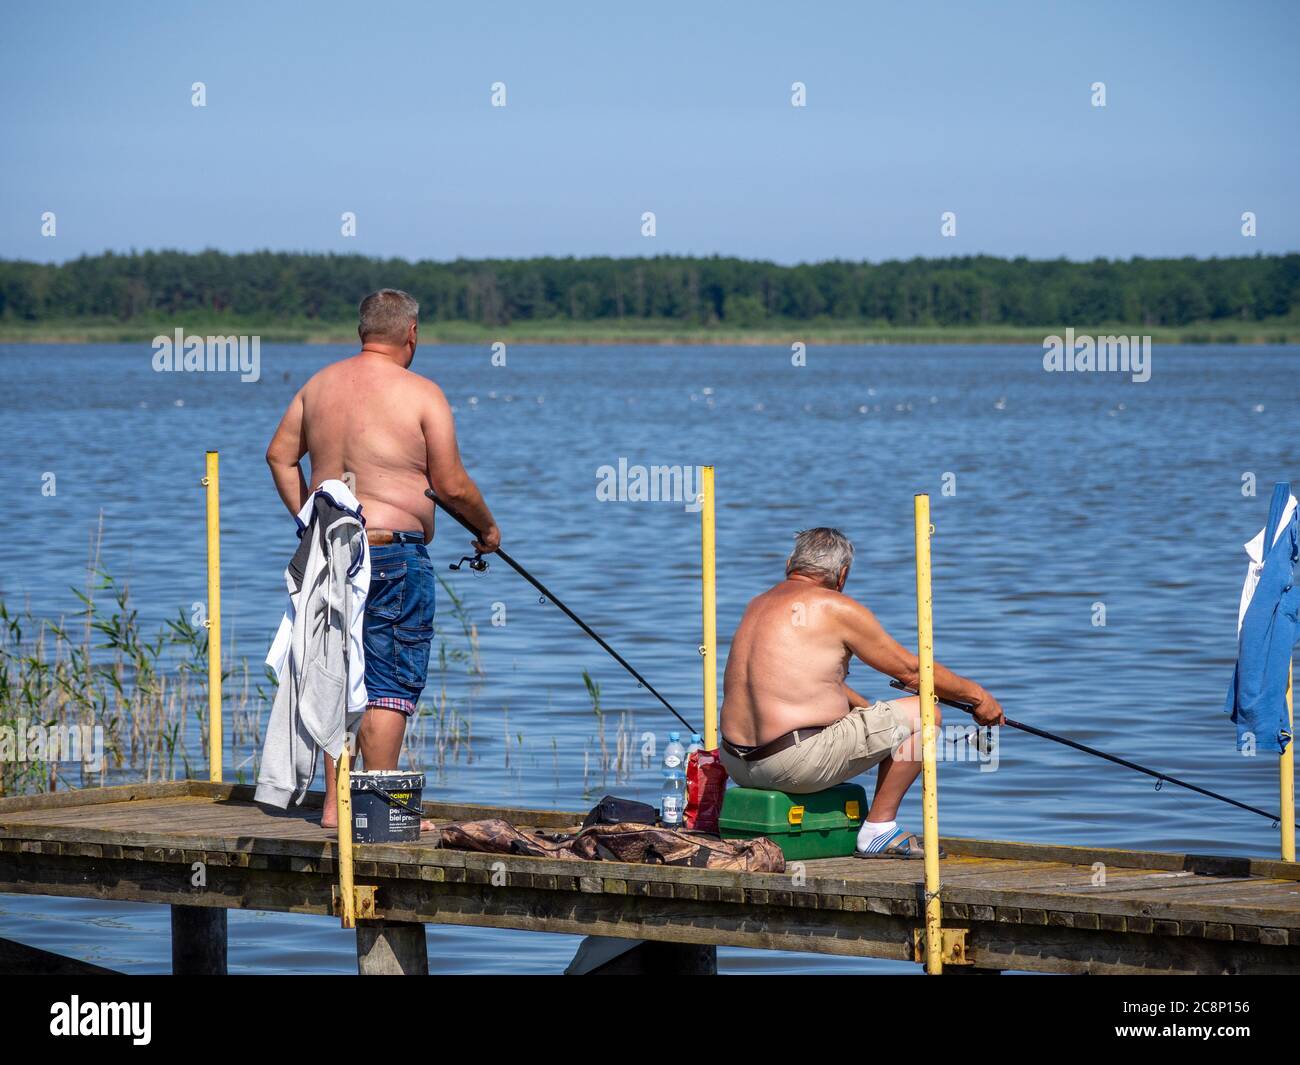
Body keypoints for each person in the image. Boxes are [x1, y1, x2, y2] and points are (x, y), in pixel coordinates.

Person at [265, 288, 499, 829]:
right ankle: (377, 813)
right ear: (412, 334)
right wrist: (486, 529)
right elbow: (452, 484)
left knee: (335, 670)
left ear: (362, 332)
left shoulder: (318, 386)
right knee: (389, 679)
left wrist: (312, 520)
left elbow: (279, 456)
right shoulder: (421, 394)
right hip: (394, 555)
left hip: (329, 556)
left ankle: (334, 805)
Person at [719, 527, 1004, 858]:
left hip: (737, 764)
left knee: (884, 720)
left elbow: (805, 683)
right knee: (925, 713)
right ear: (842, 575)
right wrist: (979, 697)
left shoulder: (758, 604)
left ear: (789, 564)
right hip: (793, 765)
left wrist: (865, 712)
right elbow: (912, 672)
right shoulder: (835, 607)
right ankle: (878, 831)